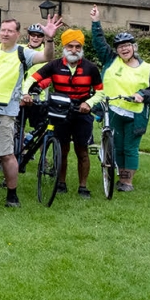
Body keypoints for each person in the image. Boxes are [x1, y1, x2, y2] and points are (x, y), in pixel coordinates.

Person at [0, 14, 62, 207]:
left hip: (3, 111)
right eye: (3, 30)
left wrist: (49, 38)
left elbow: (47, 57)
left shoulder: (22, 53)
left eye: (10, 31)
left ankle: (12, 195)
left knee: (6, 155)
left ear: (18, 34)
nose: (5, 33)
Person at [90, 6, 150, 192]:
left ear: (134, 47)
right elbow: (98, 43)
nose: (124, 49)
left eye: (127, 45)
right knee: (117, 145)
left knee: (130, 147)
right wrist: (96, 22)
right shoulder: (111, 60)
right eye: (121, 47)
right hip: (113, 109)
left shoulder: (147, 68)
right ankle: (120, 177)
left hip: (136, 113)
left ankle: (127, 182)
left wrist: (142, 95)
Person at [29, 28, 105, 198]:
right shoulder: (54, 65)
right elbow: (34, 78)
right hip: (60, 112)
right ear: (64, 47)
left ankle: (83, 186)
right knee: (62, 149)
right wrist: (27, 92)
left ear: (82, 48)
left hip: (82, 112)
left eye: (78, 47)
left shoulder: (90, 68)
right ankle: (61, 182)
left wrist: (89, 103)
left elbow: (100, 92)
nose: (74, 50)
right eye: (70, 46)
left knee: (82, 150)